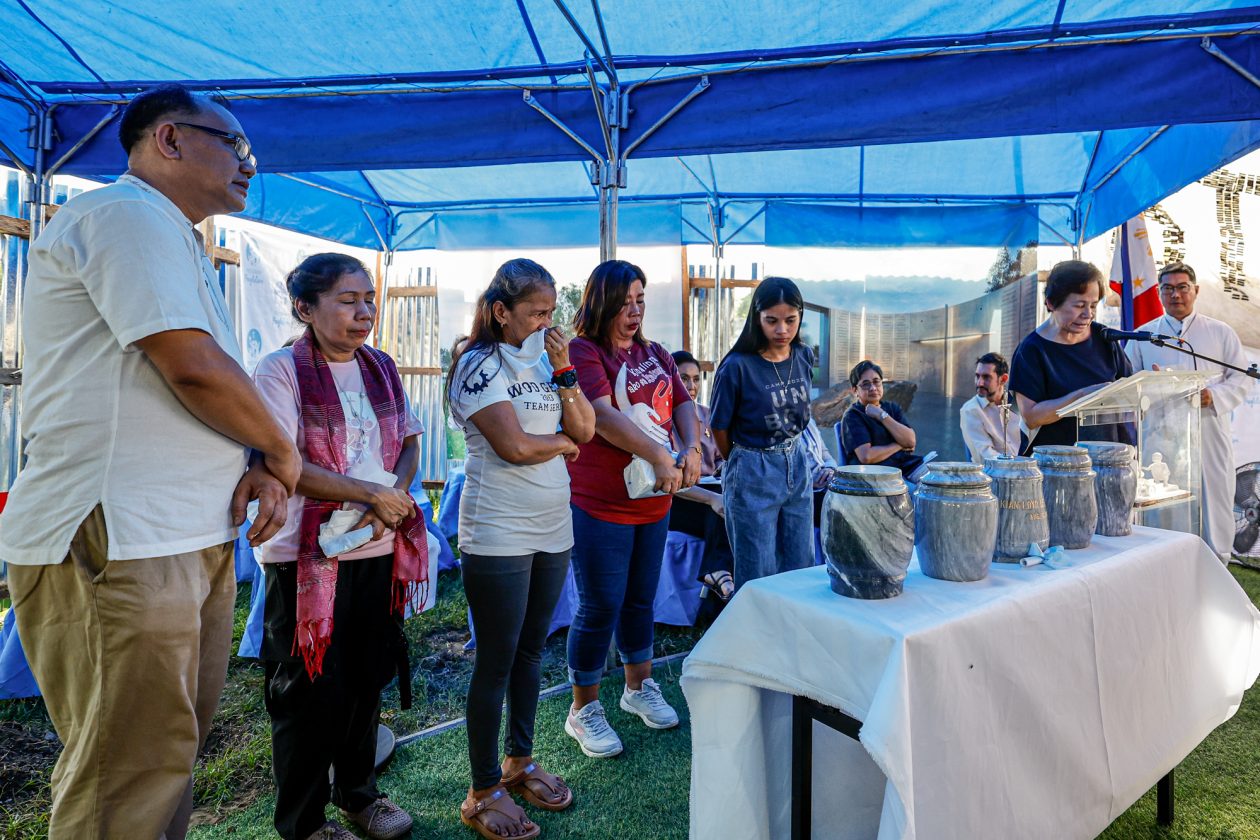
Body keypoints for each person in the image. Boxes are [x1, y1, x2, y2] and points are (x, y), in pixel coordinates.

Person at [0, 84, 299, 840]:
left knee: (164, 758)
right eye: (235, 146)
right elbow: (192, 367)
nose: (248, 166)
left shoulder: (173, 235)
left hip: (176, 535)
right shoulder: (124, 214)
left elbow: (207, 384)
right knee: (123, 777)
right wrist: (282, 449)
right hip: (121, 537)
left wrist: (256, 456)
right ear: (167, 139)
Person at [253, 253, 428, 840]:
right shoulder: (280, 371)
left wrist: (393, 499)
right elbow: (288, 464)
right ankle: (303, 823)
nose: (364, 313)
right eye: (348, 301)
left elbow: (408, 443)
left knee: (362, 679)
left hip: (374, 549)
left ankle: (359, 797)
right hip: (304, 560)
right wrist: (374, 496)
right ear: (306, 307)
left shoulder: (380, 366)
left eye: (369, 299)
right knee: (307, 693)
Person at [447, 259, 595, 839]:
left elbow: (583, 430)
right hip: (498, 531)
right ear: (501, 311)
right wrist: (558, 442)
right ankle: (482, 790)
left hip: (551, 526)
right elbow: (511, 446)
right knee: (497, 660)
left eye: (551, 311)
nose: (546, 322)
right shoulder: (477, 364)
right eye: (536, 312)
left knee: (533, 651)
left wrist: (563, 371)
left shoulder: (545, 359)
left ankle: (519, 761)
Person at [563, 260, 702, 759]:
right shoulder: (584, 351)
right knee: (600, 604)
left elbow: (683, 403)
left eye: (640, 300)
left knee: (641, 598)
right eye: (624, 303)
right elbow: (600, 416)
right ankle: (583, 709)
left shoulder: (655, 351)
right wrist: (662, 455)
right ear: (600, 302)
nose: (634, 312)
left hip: (652, 499)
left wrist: (692, 448)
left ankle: (638, 687)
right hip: (600, 501)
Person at [1126, 262, 1252, 562]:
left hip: (1209, 432)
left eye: (1182, 287)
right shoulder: (1144, 335)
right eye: (1168, 288)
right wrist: (1153, 385)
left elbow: (1241, 378)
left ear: (1195, 290)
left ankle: (1217, 561)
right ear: (1159, 293)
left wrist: (1213, 396)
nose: (1176, 295)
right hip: (1161, 437)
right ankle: (1164, 561)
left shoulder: (1220, 332)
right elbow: (1128, 382)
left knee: (1215, 500)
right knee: (1163, 502)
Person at [710, 277, 815, 588]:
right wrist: (742, 461)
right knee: (757, 569)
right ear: (757, 318)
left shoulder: (804, 355)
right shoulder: (737, 366)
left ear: (800, 316)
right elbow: (718, 426)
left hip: (796, 460)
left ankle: (795, 631)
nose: (782, 330)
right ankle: (759, 635)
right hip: (752, 465)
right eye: (772, 321)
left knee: (800, 564)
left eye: (790, 320)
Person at [1009, 260, 1133, 452]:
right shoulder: (1031, 350)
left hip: (1108, 459)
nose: (1088, 314)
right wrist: (1083, 396)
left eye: (1093, 305)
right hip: (1055, 465)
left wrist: (1154, 385)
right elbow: (1032, 417)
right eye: (1079, 305)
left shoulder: (1104, 338)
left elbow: (1128, 392)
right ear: (1051, 303)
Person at [667, 350, 733, 600]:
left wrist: (722, 468)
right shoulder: (659, 418)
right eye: (683, 378)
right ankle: (718, 575)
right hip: (676, 498)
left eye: (696, 379)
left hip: (711, 489)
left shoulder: (707, 415)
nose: (691, 386)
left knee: (729, 505)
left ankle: (720, 578)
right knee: (718, 508)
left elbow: (720, 457)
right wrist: (712, 497)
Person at [840, 360, 927, 481]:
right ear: (855, 390)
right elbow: (866, 456)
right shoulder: (853, 416)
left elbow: (911, 441)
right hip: (877, 476)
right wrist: (899, 445)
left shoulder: (891, 408)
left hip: (907, 467)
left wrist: (882, 415)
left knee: (942, 482)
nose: (873, 388)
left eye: (876, 382)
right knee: (921, 493)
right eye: (866, 384)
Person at [959, 352, 1023, 463]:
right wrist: (1018, 466)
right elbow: (985, 457)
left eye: (986, 377)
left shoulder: (1019, 404)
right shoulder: (971, 410)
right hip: (994, 476)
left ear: (1003, 379)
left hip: (1026, 472)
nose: (979, 383)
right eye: (977, 376)